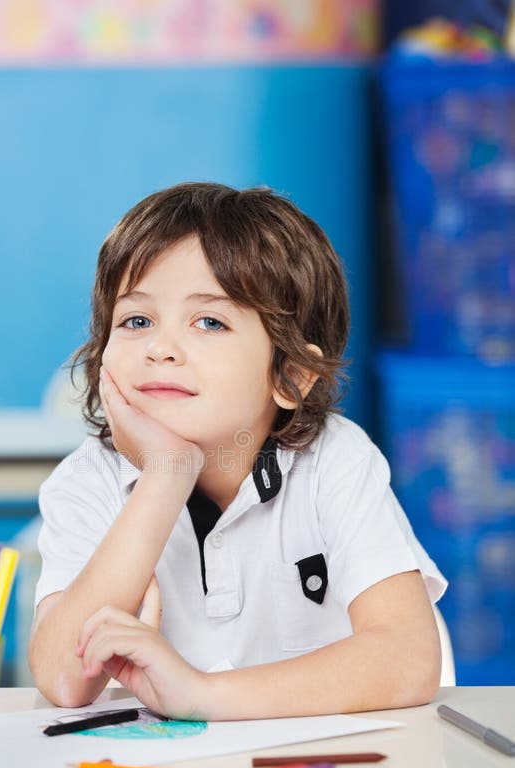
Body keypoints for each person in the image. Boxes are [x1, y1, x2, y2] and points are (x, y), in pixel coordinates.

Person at [28, 182, 446, 718]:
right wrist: (166, 477)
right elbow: (65, 679)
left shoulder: (336, 461)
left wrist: (202, 695)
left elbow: (408, 658)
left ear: (290, 376)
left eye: (209, 322)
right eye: (136, 320)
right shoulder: (86, 480)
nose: (160, 348)